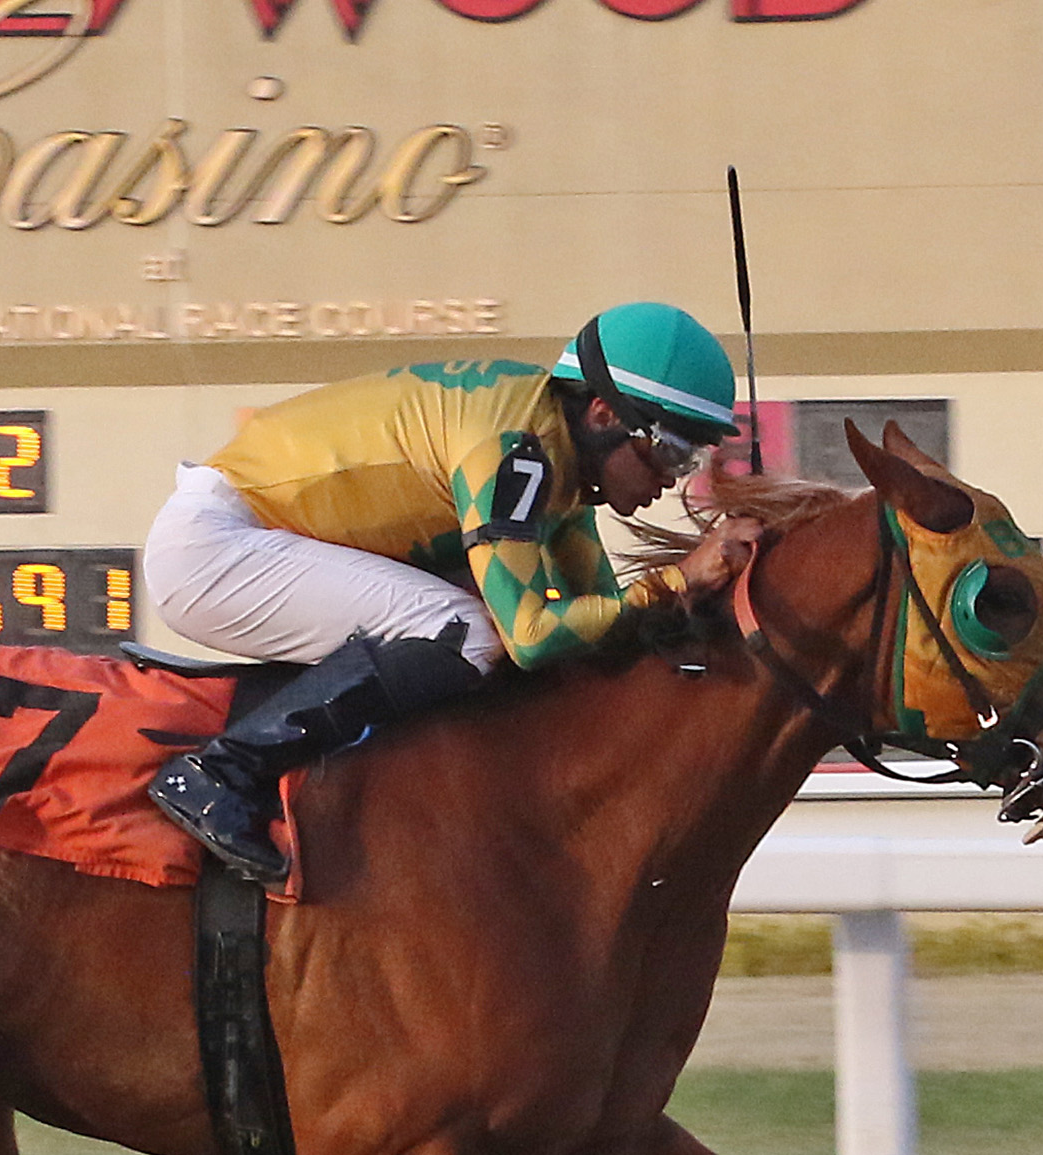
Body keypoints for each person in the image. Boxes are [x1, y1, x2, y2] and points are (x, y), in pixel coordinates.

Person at [142, 302, 757, 884]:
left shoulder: (553, 452)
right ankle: (221, 770)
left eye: (688, 460)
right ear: (601, 413)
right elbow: (535, 637)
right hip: (215, 551)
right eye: (668, 452)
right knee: (462, 631)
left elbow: (602, 626)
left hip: (250, 540)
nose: (669, 481)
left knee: (466, 623)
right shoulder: (514, 451)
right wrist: (677, 579)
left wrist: (693, 606)